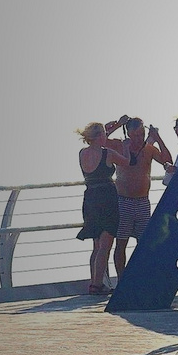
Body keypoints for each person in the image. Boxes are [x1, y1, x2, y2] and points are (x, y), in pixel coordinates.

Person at [105, 116, 173, 278]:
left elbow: (167, 160)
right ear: (128, 134)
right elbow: (100, 142)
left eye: (141, 135)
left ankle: (143, 276)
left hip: (142, 202)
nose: (138, 139)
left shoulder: (148, 148)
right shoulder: (120, 146)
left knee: (144, 243)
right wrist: (118, 125)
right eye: (134, 135)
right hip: (123, 201)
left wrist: (158, 138)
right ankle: (121, 279)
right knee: (121, 241)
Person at [75, 122, 119, 294]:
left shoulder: (82, 153)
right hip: (107, 198)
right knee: (105, 244)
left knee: (96, 244)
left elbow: (97, 142)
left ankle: (94, 282)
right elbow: (129, 162)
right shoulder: (108, 153)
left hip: (91, 198)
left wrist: (109, 130)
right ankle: (97, 285)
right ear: (100, 135)